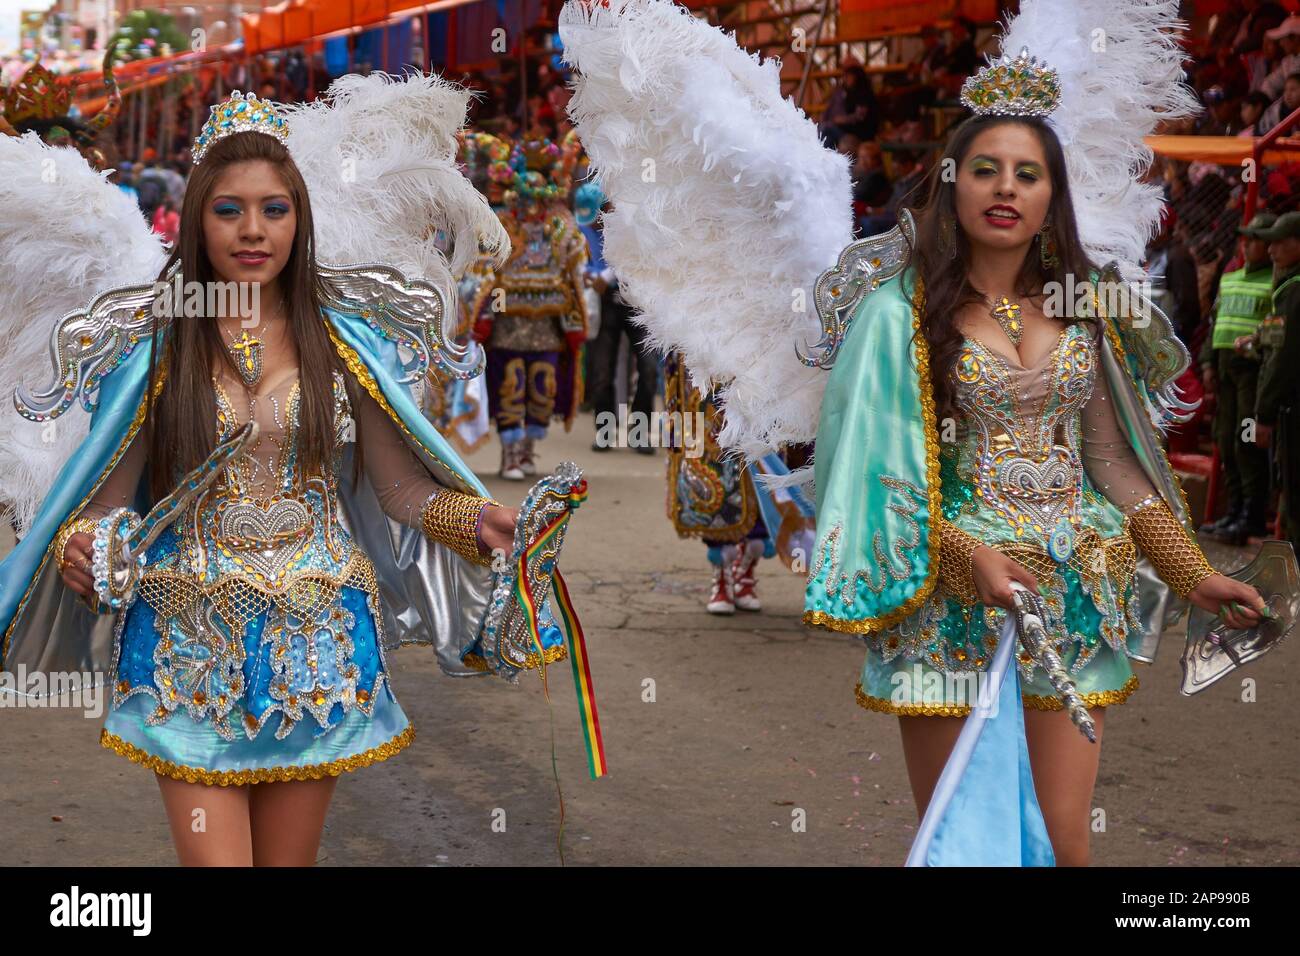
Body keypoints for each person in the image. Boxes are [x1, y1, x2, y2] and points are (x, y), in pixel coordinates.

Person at [558, 0, 1268, 867]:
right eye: (986, 169)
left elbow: (1112, 460)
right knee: (969, 844)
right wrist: (968, 558)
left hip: (1077, 594)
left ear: (1054, 196)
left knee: (1069, 844)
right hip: (949, 604)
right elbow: (866, 476)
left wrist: (1191, 571)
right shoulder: (896, 317)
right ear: (951, 182)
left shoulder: (1089, 312)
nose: (1006, 187)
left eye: (1027, 174)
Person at [0, 90, 574, 866]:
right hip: (184, 651)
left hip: (320, 646)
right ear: (198, 220)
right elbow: (98, 506)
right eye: (230, 210)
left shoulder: (342, 339)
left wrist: (483, 525)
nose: (252, 231)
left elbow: (404, 490)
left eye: (274, 209)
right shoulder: (154, 346)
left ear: (298, 220)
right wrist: (89, 549)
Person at [1198, 213, 1275, 544]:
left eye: (1255, 239)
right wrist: (1208, 363)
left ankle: (1250, 515)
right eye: (1245, 238)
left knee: (1246, 442)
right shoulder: (1229, 279)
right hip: (1227, 370)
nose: (1248, 244)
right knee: (1226, 439)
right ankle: (1234, 512)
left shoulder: (1275, 282)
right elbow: (1215, 322)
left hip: (1252, 372)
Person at [1254, 210, 1300, 543]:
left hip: (1293, 407)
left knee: (1293, 493)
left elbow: (1284, 356)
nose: (1271, 251)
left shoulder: (1294, 290)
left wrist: (1264, 412)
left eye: (1279, 243)